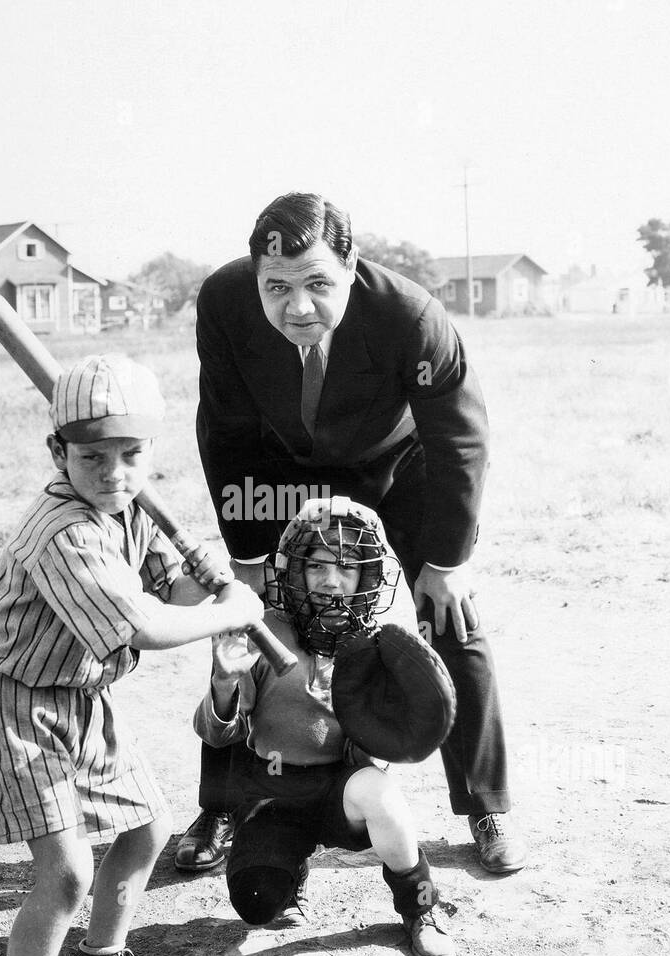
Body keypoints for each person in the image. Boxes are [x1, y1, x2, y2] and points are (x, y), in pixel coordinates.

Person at [177, 191, 525, 876]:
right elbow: (224, 429)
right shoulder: (222, 302)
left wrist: (447, 562)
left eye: (317, 285)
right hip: (282, 466)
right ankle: (221, 805)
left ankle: (487, 802)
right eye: (276, 287)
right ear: (254, 279)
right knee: (247, 621)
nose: (296, 306)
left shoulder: (410, 314)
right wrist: (247, 556)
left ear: (351, 266)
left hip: (395, 465)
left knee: (451, 614)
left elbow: (460, 437)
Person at [0, 354, 263, 956]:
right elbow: (146, 624)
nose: (115, 472)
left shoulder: (131, 508)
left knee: (147, 829)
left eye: (131, 456)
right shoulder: (63, 532)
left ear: (151, 454)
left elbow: (176, 588)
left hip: (84, 695)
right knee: (65, 874)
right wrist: (227, 614)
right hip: (20, 707)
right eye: (92, 456)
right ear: (57, 453)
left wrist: (218, 584)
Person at [193, 499, 454, 956]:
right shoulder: (261, 632)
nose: (331, 580)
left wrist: (392, 729)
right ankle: (289, 866)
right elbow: (217, 736)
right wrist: (223, 681)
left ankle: (420, 907)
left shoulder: (379, 644)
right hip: (270, 790)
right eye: (315, 566)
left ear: (368, 576)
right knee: (256, 904)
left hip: (340, 790)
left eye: (347, 567)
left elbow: (388, 747)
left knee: (382, 796)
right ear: (293, 571)